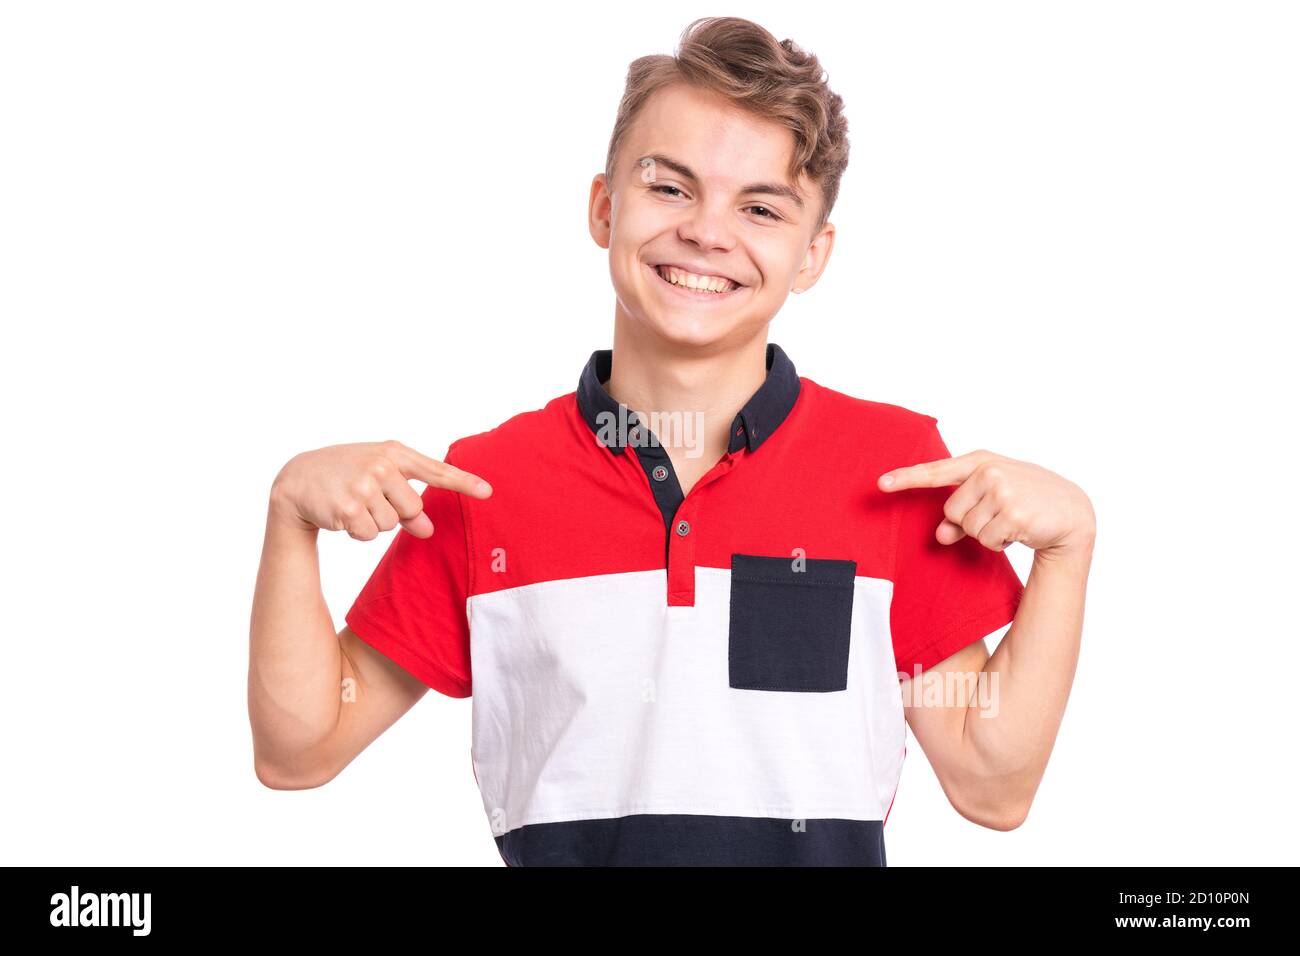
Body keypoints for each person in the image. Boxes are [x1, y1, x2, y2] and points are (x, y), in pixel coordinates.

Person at [247, 16, 1095, 866]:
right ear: (603, 207)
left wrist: (1068, 546)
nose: (707, 232)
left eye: (760, 207)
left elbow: (993, 785)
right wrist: (291, 516)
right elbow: (300, 750)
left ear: (811, 255)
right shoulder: (485, 484)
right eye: (670, 188)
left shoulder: (893, 469)